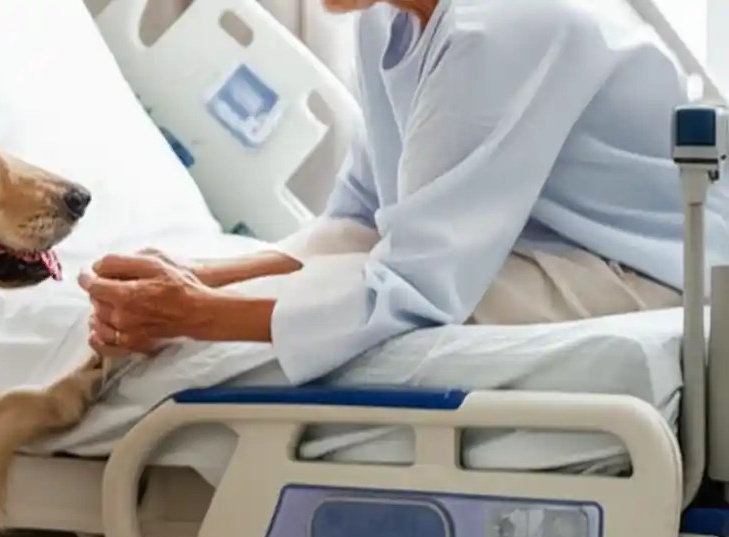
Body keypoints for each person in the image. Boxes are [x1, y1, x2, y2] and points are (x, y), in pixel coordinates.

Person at [79, 0, 729, 385]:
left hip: (658, 269)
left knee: (353, 300)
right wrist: (204, 276)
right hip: (548, 242)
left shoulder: (498, 30)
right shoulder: (385, 21)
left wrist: (194, 315)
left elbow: (414, 286)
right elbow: (363, 216)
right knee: (338, 276)